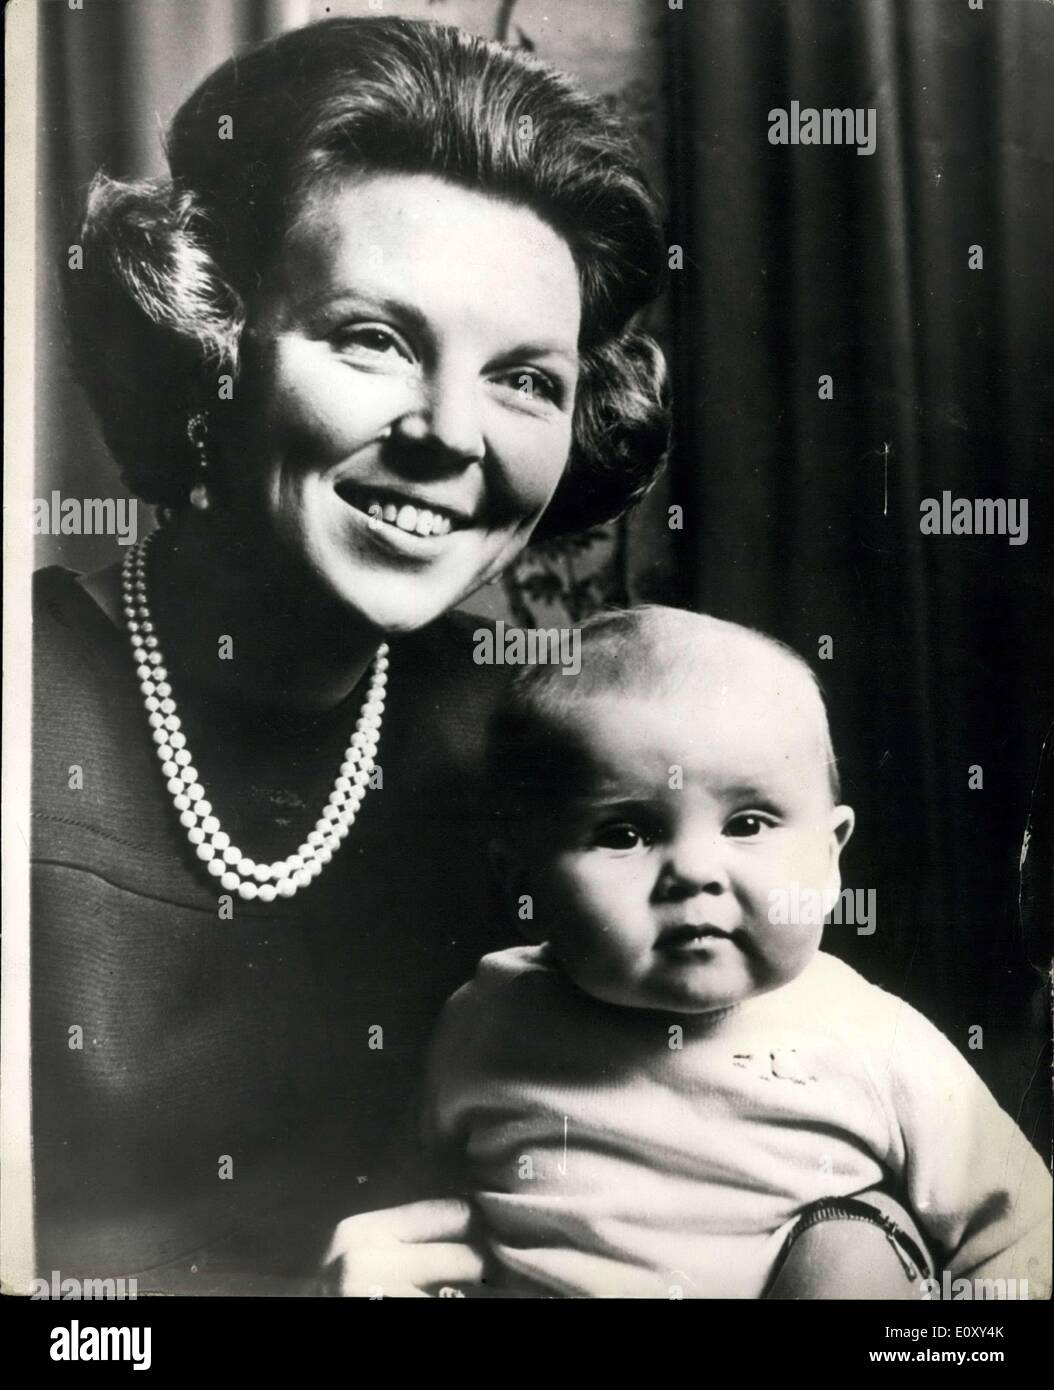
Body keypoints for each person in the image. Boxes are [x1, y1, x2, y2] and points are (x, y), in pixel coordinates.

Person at [32, 16, 669, 1295]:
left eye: (527, 381)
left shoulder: (535, 746)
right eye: (373, 339)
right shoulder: (20, 699)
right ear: (211, 339)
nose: (450, 434)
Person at [406, 606, 1053, 1298]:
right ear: (523, 880)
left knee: (854, 1256)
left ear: (830, 859)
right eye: (624, 833)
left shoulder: (869, 1037)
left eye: (748, 824)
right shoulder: (488, 1020)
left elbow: (1021, 1230)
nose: (695, 871)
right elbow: (409, 1217)